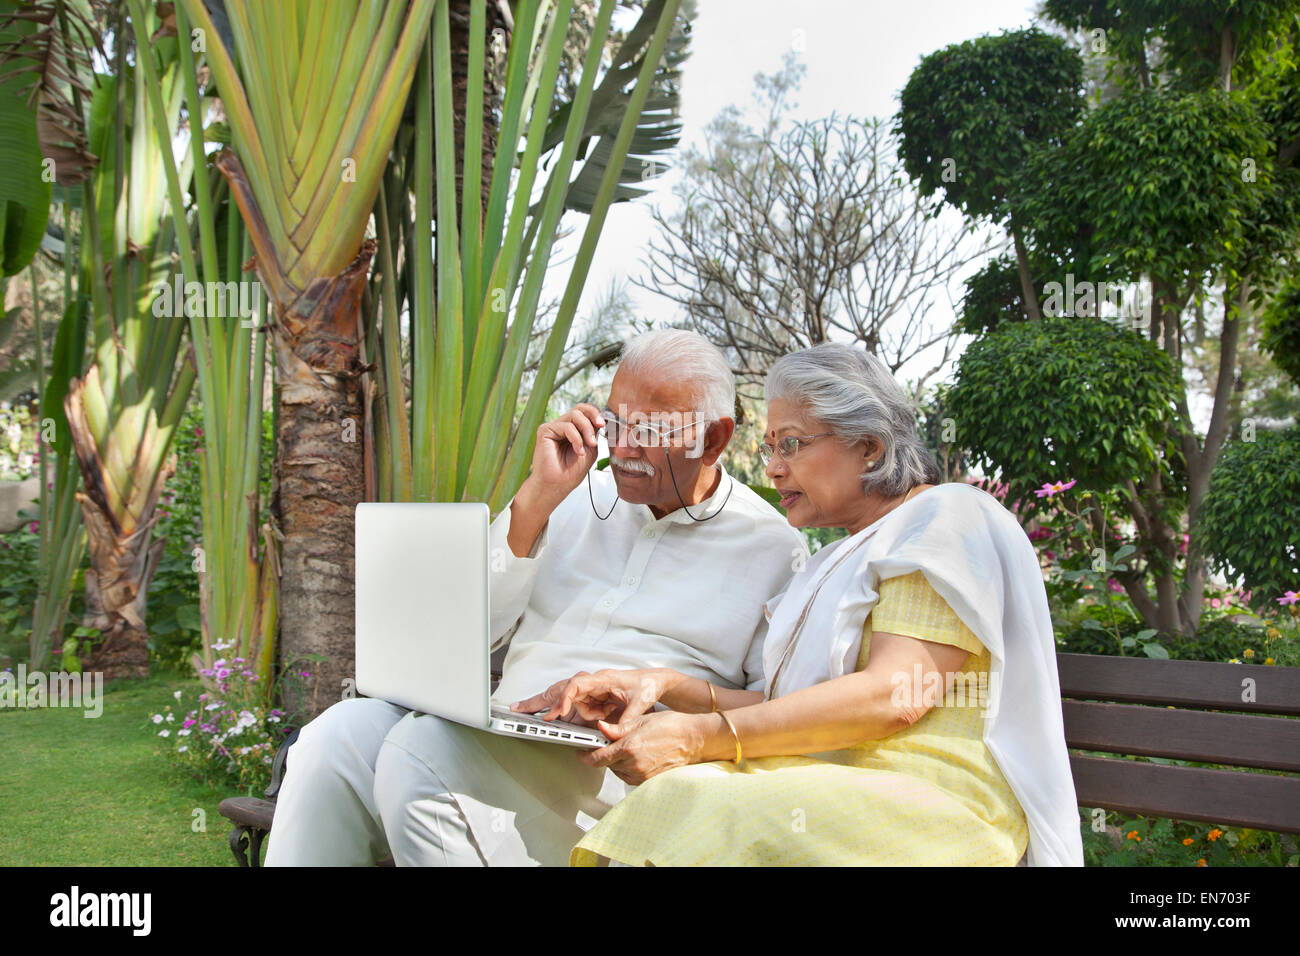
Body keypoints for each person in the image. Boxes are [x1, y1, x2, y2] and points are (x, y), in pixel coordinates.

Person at [523, 342, 1083, 866]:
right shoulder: (832, 559)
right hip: (827, 784)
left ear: (869, 447)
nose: (771, 468)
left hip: (935, 804)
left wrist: (699, 737)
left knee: (707, 805)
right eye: (769, 448)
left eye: (790, 444)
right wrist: (660, 685)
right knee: (678, 796)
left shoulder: (947, 517)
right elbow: (788, 704)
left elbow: (894, 696)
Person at [263, 329, 809, 866]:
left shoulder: (772, 548)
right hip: (499, 722)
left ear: (712, 439)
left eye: (647, 430)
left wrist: (663, 701)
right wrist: (538, 497)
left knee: (419, 755)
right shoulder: (575, 494)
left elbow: (779, 710)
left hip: (604, 768)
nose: (621, 447)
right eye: (615, 421)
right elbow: (472, 630)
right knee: (331, 739)